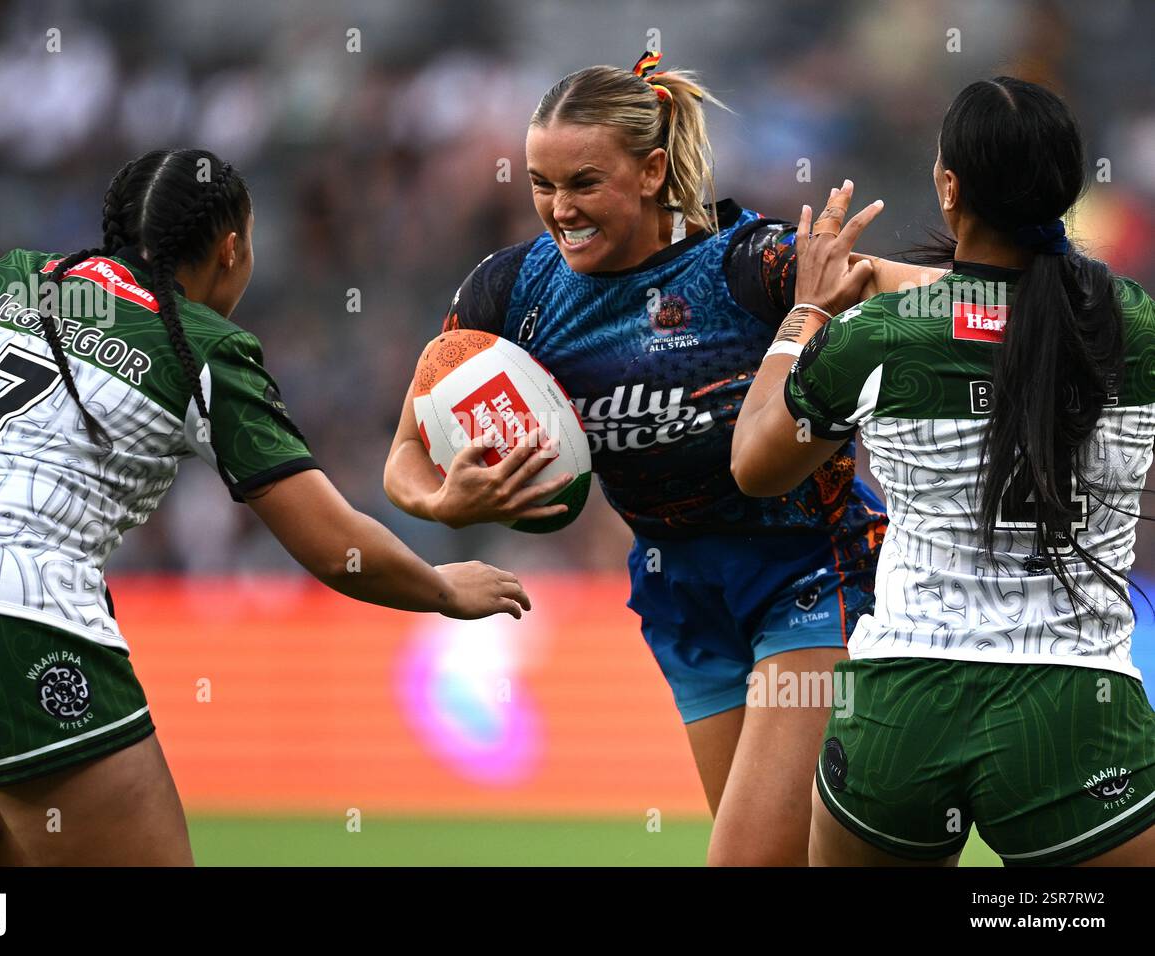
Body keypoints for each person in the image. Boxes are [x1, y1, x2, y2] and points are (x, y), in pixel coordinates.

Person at [0, 148, 530, 866]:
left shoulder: (11, 280)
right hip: (15, 620)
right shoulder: (203, 347)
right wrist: (442, 589)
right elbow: (337, 549)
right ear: (232, 248)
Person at [383, 51, 938, 865]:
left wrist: (1042, 300)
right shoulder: (508, 294)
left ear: (649, 173)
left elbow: (902, 286)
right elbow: (403, 452)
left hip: (812, 572)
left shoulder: (744, 266)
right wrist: (441, 502)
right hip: (680, 598)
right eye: (541, 184)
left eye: (582, 184)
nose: (558, 209)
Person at [731, 77, 1155, 866]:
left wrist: (809, 311)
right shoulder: (1132, 324)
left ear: (949, 186)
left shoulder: (879, 336)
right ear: (1068, 189)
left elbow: (754, 465)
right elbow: (1016, 306)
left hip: (902, 707)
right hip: (1075, 707)